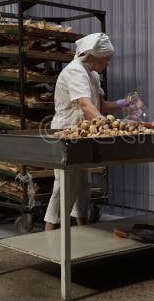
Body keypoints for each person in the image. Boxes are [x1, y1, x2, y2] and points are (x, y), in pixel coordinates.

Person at [43, 32, 129, 231]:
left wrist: (122, 103)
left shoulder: (93, 75)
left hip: (83, 133)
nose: (108, 62)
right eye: (106, 59)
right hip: (66, 131)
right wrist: (108, 127)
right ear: (94, 57)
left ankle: (83, 227)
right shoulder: (75, 71)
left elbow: (100, 105)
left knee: (83, 184)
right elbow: (85, 105)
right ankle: (49, 231)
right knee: (64, 184)